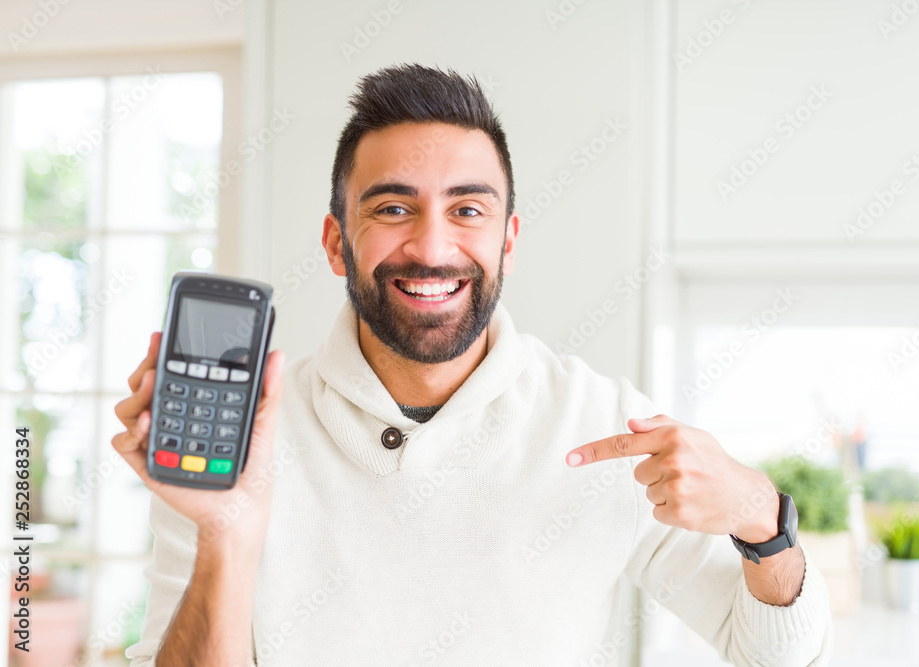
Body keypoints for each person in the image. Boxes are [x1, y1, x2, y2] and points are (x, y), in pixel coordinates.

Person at [113, 63, 833, 666]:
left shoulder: (605, 424)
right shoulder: (243, 441)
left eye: (467, 210)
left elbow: (778, 655)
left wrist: (761, 517)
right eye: (393, 208)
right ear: (337, 242)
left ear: (508, 240)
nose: (432, 247)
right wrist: (225, 535)